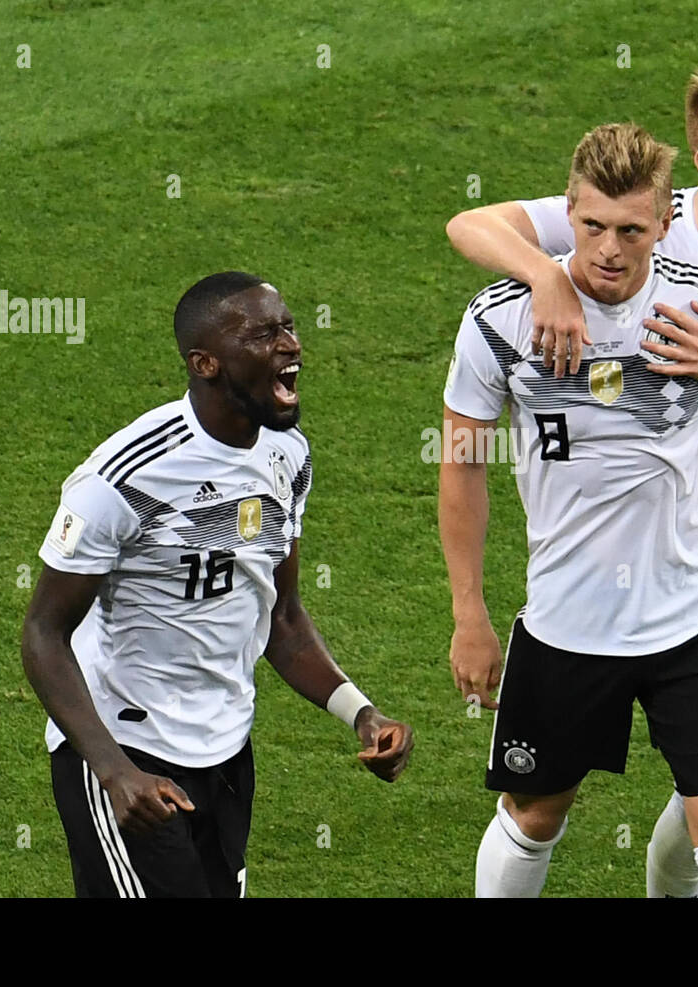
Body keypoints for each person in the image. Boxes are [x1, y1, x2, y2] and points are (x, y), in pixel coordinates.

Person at [444, 62, 698, 897]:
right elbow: (462, 465)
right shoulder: (500, 320)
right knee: (534, 813)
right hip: (567, 617)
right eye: (591, 227)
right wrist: (470, 614)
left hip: (696, 613)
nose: (607, 248)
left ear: (664, 225)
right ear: (566, 217)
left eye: (631, 232)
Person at [21, 271, 414, 898]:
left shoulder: (287, 458)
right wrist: (114, 772)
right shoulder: (125, 478)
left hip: (225, 752)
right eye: (262, 335)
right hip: (126, 751)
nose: (290, 345)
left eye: (288, 326)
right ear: (205, 362)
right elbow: (43, 633)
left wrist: (361, 714)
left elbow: (281, 620)